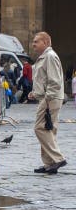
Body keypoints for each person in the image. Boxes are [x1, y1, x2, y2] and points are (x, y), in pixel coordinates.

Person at [28, 32, 67, 175]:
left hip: (50, 98)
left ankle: (57, 158)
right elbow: (44, 79)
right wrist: (35, 93)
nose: (33, 44)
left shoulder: (49, 56)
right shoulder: (44, 57)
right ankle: (49, 164)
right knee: (48, 130)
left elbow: (54, 81)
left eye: (36, 41)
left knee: (40, 128)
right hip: (48, 97)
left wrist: (47, 98)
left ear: (45, 42)